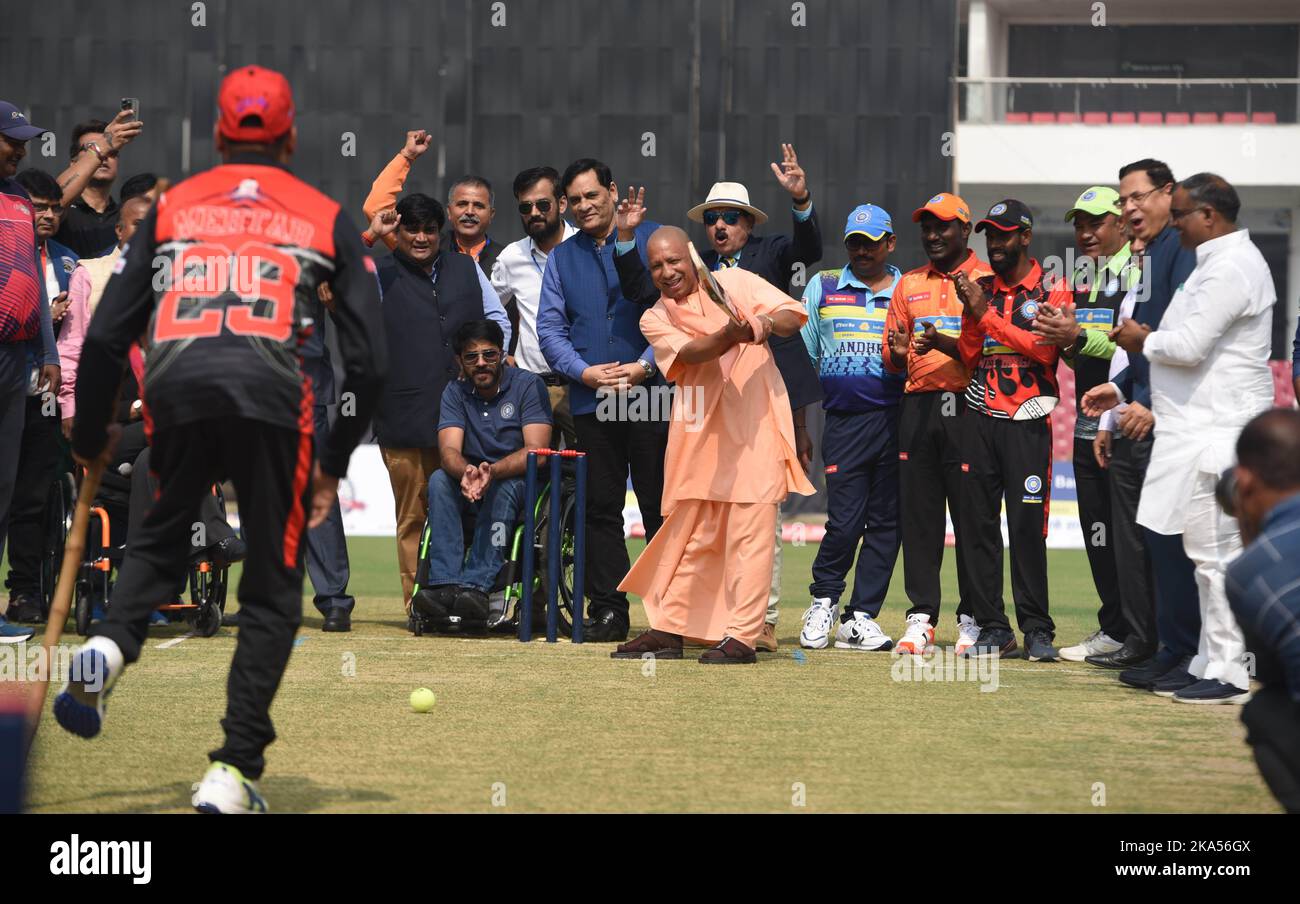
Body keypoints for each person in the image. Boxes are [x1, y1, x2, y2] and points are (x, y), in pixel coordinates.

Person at [54, 64, 387, 813]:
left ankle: (106, 650)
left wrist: (90, 432)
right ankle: (233, 770)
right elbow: (371, 356)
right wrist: (333, 461)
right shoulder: (323, 212)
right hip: (274, 397)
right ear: (292, 135)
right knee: (271, 586)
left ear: (216, 134)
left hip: (175, 393)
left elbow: (108, 334)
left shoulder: (173, 206)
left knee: (162, 537)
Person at [611, 146, 824, 651]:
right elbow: (698, 352)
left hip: (755, 435)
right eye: (656, 264)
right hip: (698, 440)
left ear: (692, 260)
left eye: (673, 261)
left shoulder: (738, 280)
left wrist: (765, 323)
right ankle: (670, 629)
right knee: (692, 536)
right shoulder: (654, 318)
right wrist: (735, 332)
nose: (666, 272)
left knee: (751, 540)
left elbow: (796, 315)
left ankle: (745, 636)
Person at [1096, 173, 1273, 703]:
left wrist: (1140, 339)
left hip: (1218, 431)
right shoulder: (1211, 265)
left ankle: (1230, 672)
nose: (1174, 224)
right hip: (1191, 429)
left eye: (1181, 215)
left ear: (1209, 217)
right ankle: (1203, 658)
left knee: (1217, 556)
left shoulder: (1234, 266)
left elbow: (1190, 345)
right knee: (1199, 552)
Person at [1080, 159, 1201, 688]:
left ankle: (1182, 650)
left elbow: (1186, 342)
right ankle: (1150, 642)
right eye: (1123, 199)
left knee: (1169, 541)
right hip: (1134, 414)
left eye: (1137, 197)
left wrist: (1146, 399)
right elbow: (1140, 349)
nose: (1129, 208)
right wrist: (1120, 398)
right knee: (1138, 537)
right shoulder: (1148, 258)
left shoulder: (1181, 253)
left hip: (1168, 421)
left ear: (1168, 195)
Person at [536, 158, 665, 643]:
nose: (585, 206)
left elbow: (677, 308)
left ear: (613, 191)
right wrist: (584, 372)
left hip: (650, 394)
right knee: (600, 508)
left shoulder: (657, 238)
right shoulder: (562, 258)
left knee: (659, 506)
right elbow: (549, 328)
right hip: (591, 400)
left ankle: (671, 612)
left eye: (593, 195)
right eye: (576, 200)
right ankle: (610, 610)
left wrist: (646, 364)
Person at [371, 192, 511, 613]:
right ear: (399, 231)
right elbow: (342, 301)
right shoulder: (379, 274)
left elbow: (497, 320)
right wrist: (369, 237)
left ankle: (466, 598)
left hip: (469, 415)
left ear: (440, 232)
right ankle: (419, 604)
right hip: (404, 416)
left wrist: (491, 364)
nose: (420, 237)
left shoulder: (466, 269)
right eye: (411, 229)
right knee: (414, 517)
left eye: (429, 229)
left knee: (469, 509)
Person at [953, 200, 1066, 662]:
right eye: (989, 236)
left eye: (1003, 235)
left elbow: (1043, 351)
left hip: (1028, 418)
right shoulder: (979, 288)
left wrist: (986, 315)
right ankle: (993, 630)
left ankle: (1037, 628)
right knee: (977, 525)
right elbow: (967, 352)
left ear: (1024, 236)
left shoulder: (1050, 290)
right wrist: (976, 316)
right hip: (980, 417)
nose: (994, 244)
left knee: (1025, 526)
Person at [1032, 187, 1137, 662]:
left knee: (1130, 536)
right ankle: (1113, 629)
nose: (1087, 233)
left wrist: (1078, 337)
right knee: (1098, 532)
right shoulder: (1079, 281)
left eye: (1097, 222)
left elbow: (1133, 353)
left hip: (1128, 420)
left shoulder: (1138, 276)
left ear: (1120, 224)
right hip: (1085, 424)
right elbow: (1080, 359)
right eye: (1080, 224)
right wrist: (1068, 343)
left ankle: (1142, 635)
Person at [882, 192, 989, 655]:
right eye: (927, 227)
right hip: (919, 409)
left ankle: (973, 618)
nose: (932, 235)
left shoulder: (989, 280)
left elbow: (993, 347)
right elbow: (892, 356)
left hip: (971, 407)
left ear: (965, 230)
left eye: (942, 226)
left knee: (972, 520)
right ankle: (921, 617)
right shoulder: (907, 284)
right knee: (920, 519)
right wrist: (899, 353)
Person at [796, 204, 903, 652]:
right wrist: (799, 426)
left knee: (886, 524)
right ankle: (823, 601)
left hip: (898, 420)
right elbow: (802, 363)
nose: (861, 250)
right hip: (843, 422)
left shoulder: (908, 290)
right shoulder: (823, 286)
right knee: (843, 522)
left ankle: (859, 618)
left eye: (871, 242)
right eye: (854, 242)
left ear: (890, 243)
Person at [413, 320, 552, 623]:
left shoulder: (528, 385)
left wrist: (494, 471)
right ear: (459, 361)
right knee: (439, 479)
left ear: (502, 353)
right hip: (474, 480)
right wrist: (467, 473)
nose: (481, 363)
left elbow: (537, 452)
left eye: (489, 355)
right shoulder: (455, 391)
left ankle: (476, 586)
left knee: (505, 487)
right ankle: (445, 585)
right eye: (471, 357)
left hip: (520, 482)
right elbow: (449, 450)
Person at [3, 169, 78, 623]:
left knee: (30, 498)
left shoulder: (68, 261)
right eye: (38, 205)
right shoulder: (9, 249)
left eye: (54, 207)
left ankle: (25, 592)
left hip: (44, 396)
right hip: (9, 378)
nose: (46, 214)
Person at [0, 101, 60, 644]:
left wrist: (47, 353)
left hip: (15, 359)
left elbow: (34, 285)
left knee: (4, 484)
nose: (21, 147)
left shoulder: (20, 201)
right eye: (11, 139)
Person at [1225, 409, 1300, 812]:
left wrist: (1250, 532)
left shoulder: (1249, 572)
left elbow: (1269, 674)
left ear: (1246, 480)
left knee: (1265, 712)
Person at [489, 166, 580, 446]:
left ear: (562, 203)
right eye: (525, 207)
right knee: (532, 476)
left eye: (543, 204)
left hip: (580, 385)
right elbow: (489, 311)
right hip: (531, 385)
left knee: (588, 475)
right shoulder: (511, 257)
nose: (534, 213)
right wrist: (502, 353)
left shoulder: (586, 247)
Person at [56, 195, 153, 430]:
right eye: (140, 224)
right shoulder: (89, 273)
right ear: (119, 230)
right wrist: (70, 407)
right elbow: (72, 345)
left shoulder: (178, 276)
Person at [362, 130, 503, 274]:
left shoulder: (506, 259)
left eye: (478, 206)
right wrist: (407, 156)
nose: (469, 211)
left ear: (491, 214)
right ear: (449, 211)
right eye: (462, 204)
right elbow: (376, 208)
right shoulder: (423, 246)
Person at [52, 111, 144, 258]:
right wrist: (103, 146)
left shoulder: (125, 215)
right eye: (92, 148)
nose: (104, 156)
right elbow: (53, 201)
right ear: (74, 163)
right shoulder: (64, 210)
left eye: (112, 151)